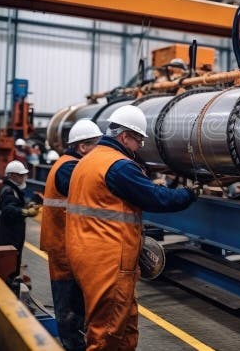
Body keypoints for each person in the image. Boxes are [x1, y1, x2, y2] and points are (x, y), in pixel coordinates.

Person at [65, 105, 198, 350]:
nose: (139, 148)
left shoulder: (89, 160)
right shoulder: (119, 165)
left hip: (87, 252)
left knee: (125, 326)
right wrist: (189, 194)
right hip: (109, 260)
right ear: (125, 136)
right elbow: (156, 198)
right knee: (107, 332)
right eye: (138, 141)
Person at [40, 119, 102, 351]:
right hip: (63, 247)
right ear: (83, 147)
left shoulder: (67, 164)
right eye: (97, 145)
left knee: (74, 306)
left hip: (68, 244)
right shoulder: (69, 168)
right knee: (69, 309)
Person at [0, 160, 39, 283]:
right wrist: (25, 212)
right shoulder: (8, 190)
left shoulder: (13, 189)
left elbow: (15, 204)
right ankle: (9, 282)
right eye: (21, 175)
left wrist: (27, 205)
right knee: (10, 257)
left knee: (15, 256)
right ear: (12, 176)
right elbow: (8, 209)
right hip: (9, 233)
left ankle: (12, 278)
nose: (24, 177)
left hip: (14, 232)